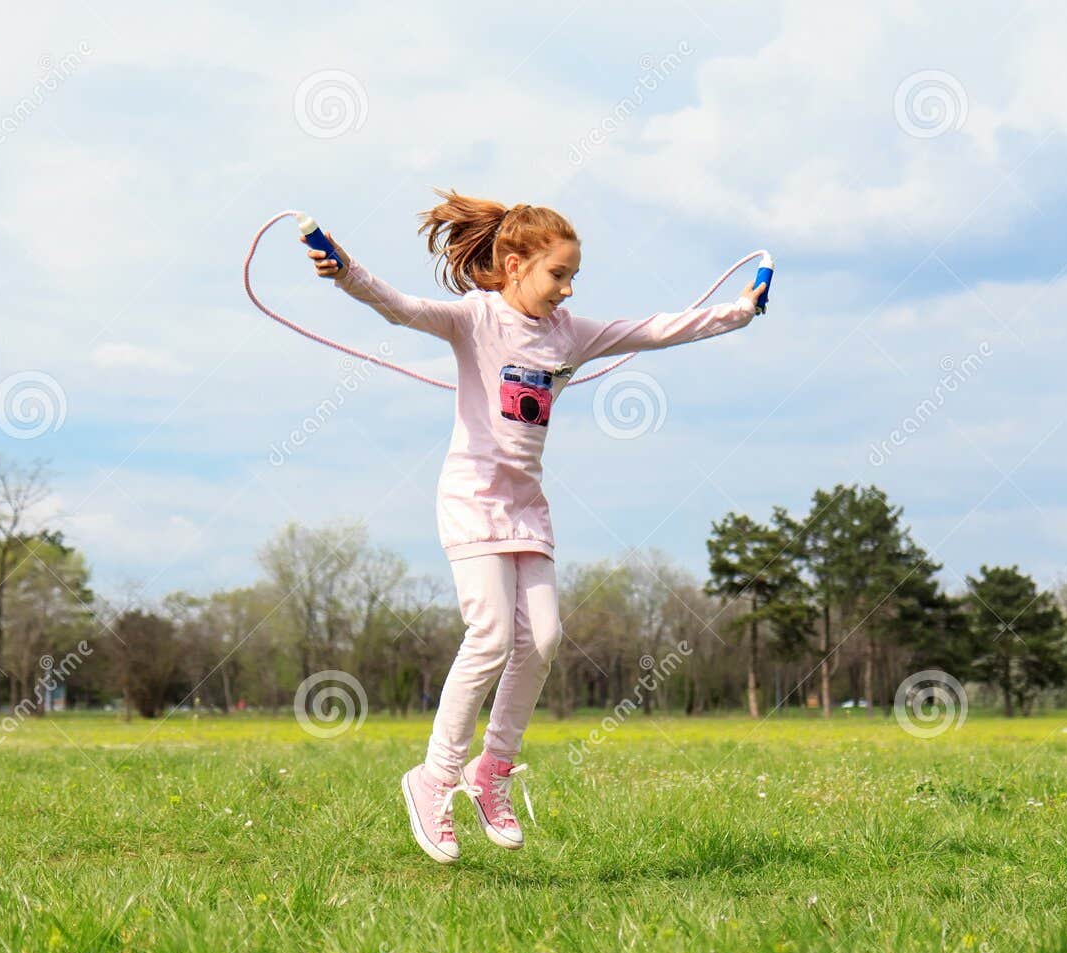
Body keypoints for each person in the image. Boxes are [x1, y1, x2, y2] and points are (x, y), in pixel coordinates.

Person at [303, 189, 768, 864]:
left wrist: (740, 313)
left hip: (526, 505)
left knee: (544, 636)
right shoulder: (475, 318)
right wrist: (345, 270)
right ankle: (432, 778)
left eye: (574, 275)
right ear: (516, 263)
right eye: (559, 274)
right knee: (491, 633)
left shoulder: (568, 332)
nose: (568, 287)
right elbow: (400, 308)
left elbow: (658, 328)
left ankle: (490, 770)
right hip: (470, 497)